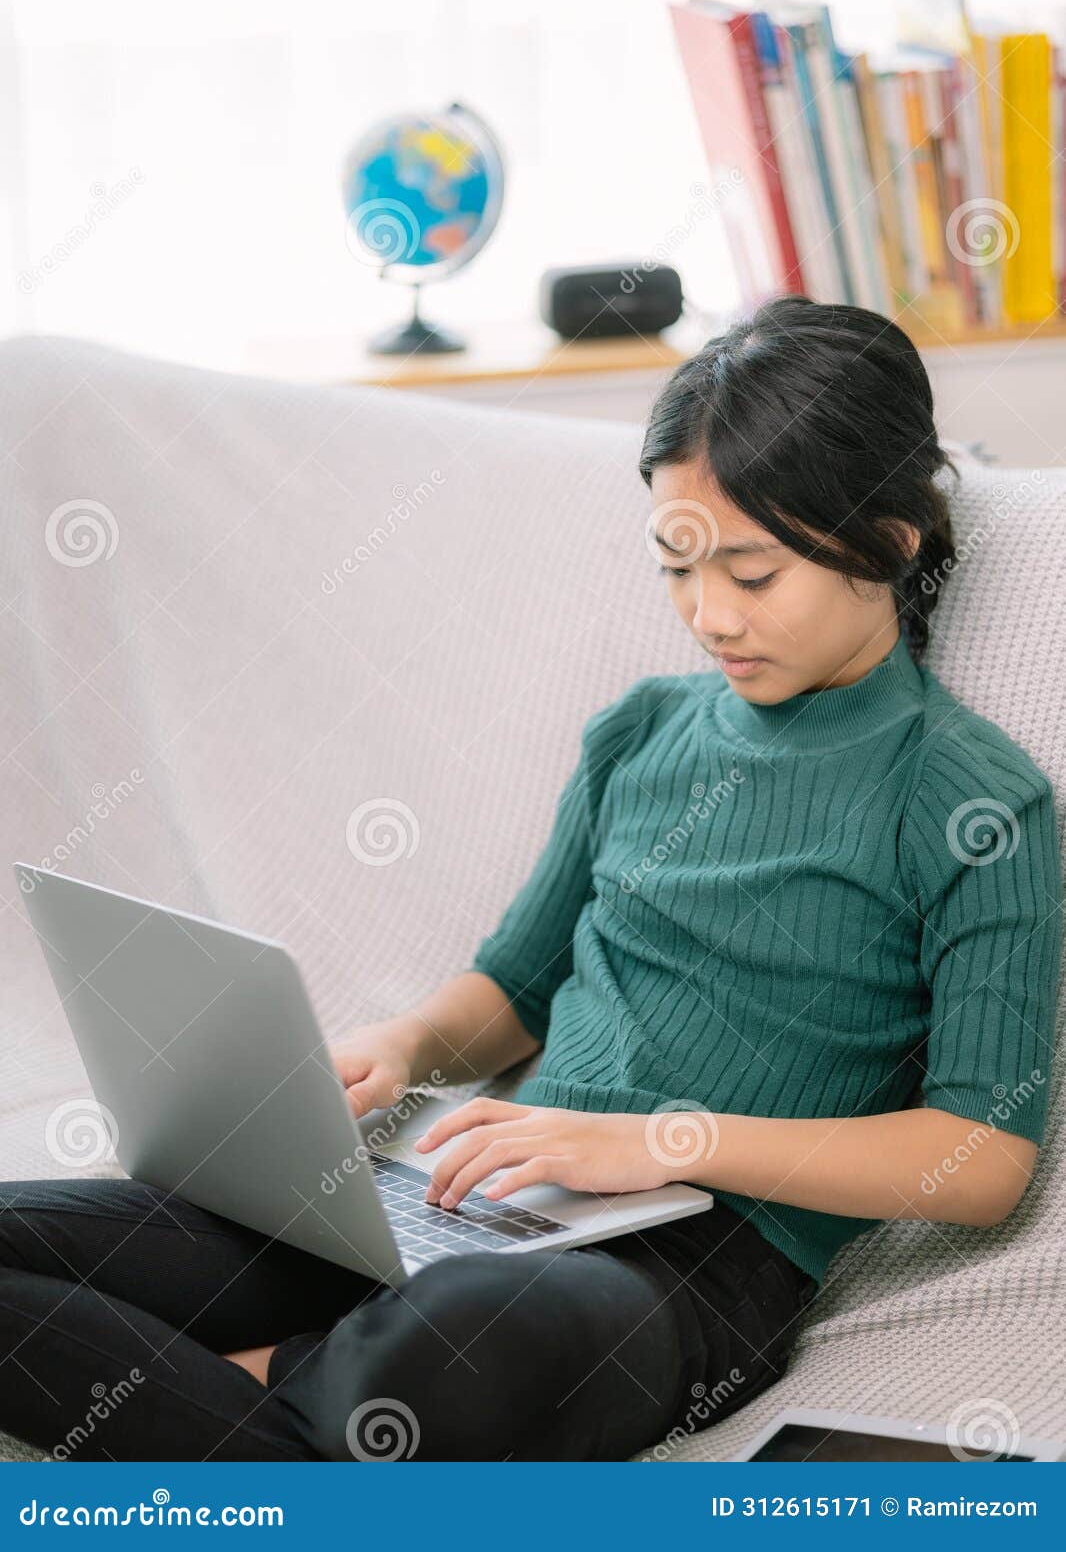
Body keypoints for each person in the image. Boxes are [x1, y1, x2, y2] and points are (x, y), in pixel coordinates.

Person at [0, 295, 1060, 1462]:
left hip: (688, 1265)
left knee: (427, 1362)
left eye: (753, 575)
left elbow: (981, 1158)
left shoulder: (971, 802)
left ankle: (258, 1388)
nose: (710, 616)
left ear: (894, 541)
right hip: (481, 1189)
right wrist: (403, 1049)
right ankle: (284, 1417)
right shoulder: (642, 733)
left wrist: (660, 1143)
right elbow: (513, 988)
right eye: (677, 565)